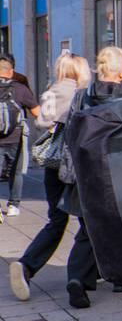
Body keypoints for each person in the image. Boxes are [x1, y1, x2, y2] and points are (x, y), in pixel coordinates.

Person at [8, 53, 91, 302]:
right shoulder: (80, 94)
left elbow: (42, 121)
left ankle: (26, 266)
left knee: (56, 220)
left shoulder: (51, 91)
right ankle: (79, 276)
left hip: (51, 164)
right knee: (88, 222)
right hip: (74, 164)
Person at [61, 47, 122, 308]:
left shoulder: (82, 97)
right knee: (119, 228)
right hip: (117, 178)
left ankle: (78, 278)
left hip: (86, 175)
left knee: (87, 229)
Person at [0, 54, 39, 218]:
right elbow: (37, 112)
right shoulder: (21, 89)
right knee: (16, 172)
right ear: (11, 71)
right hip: (17, 138)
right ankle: (13, 205)